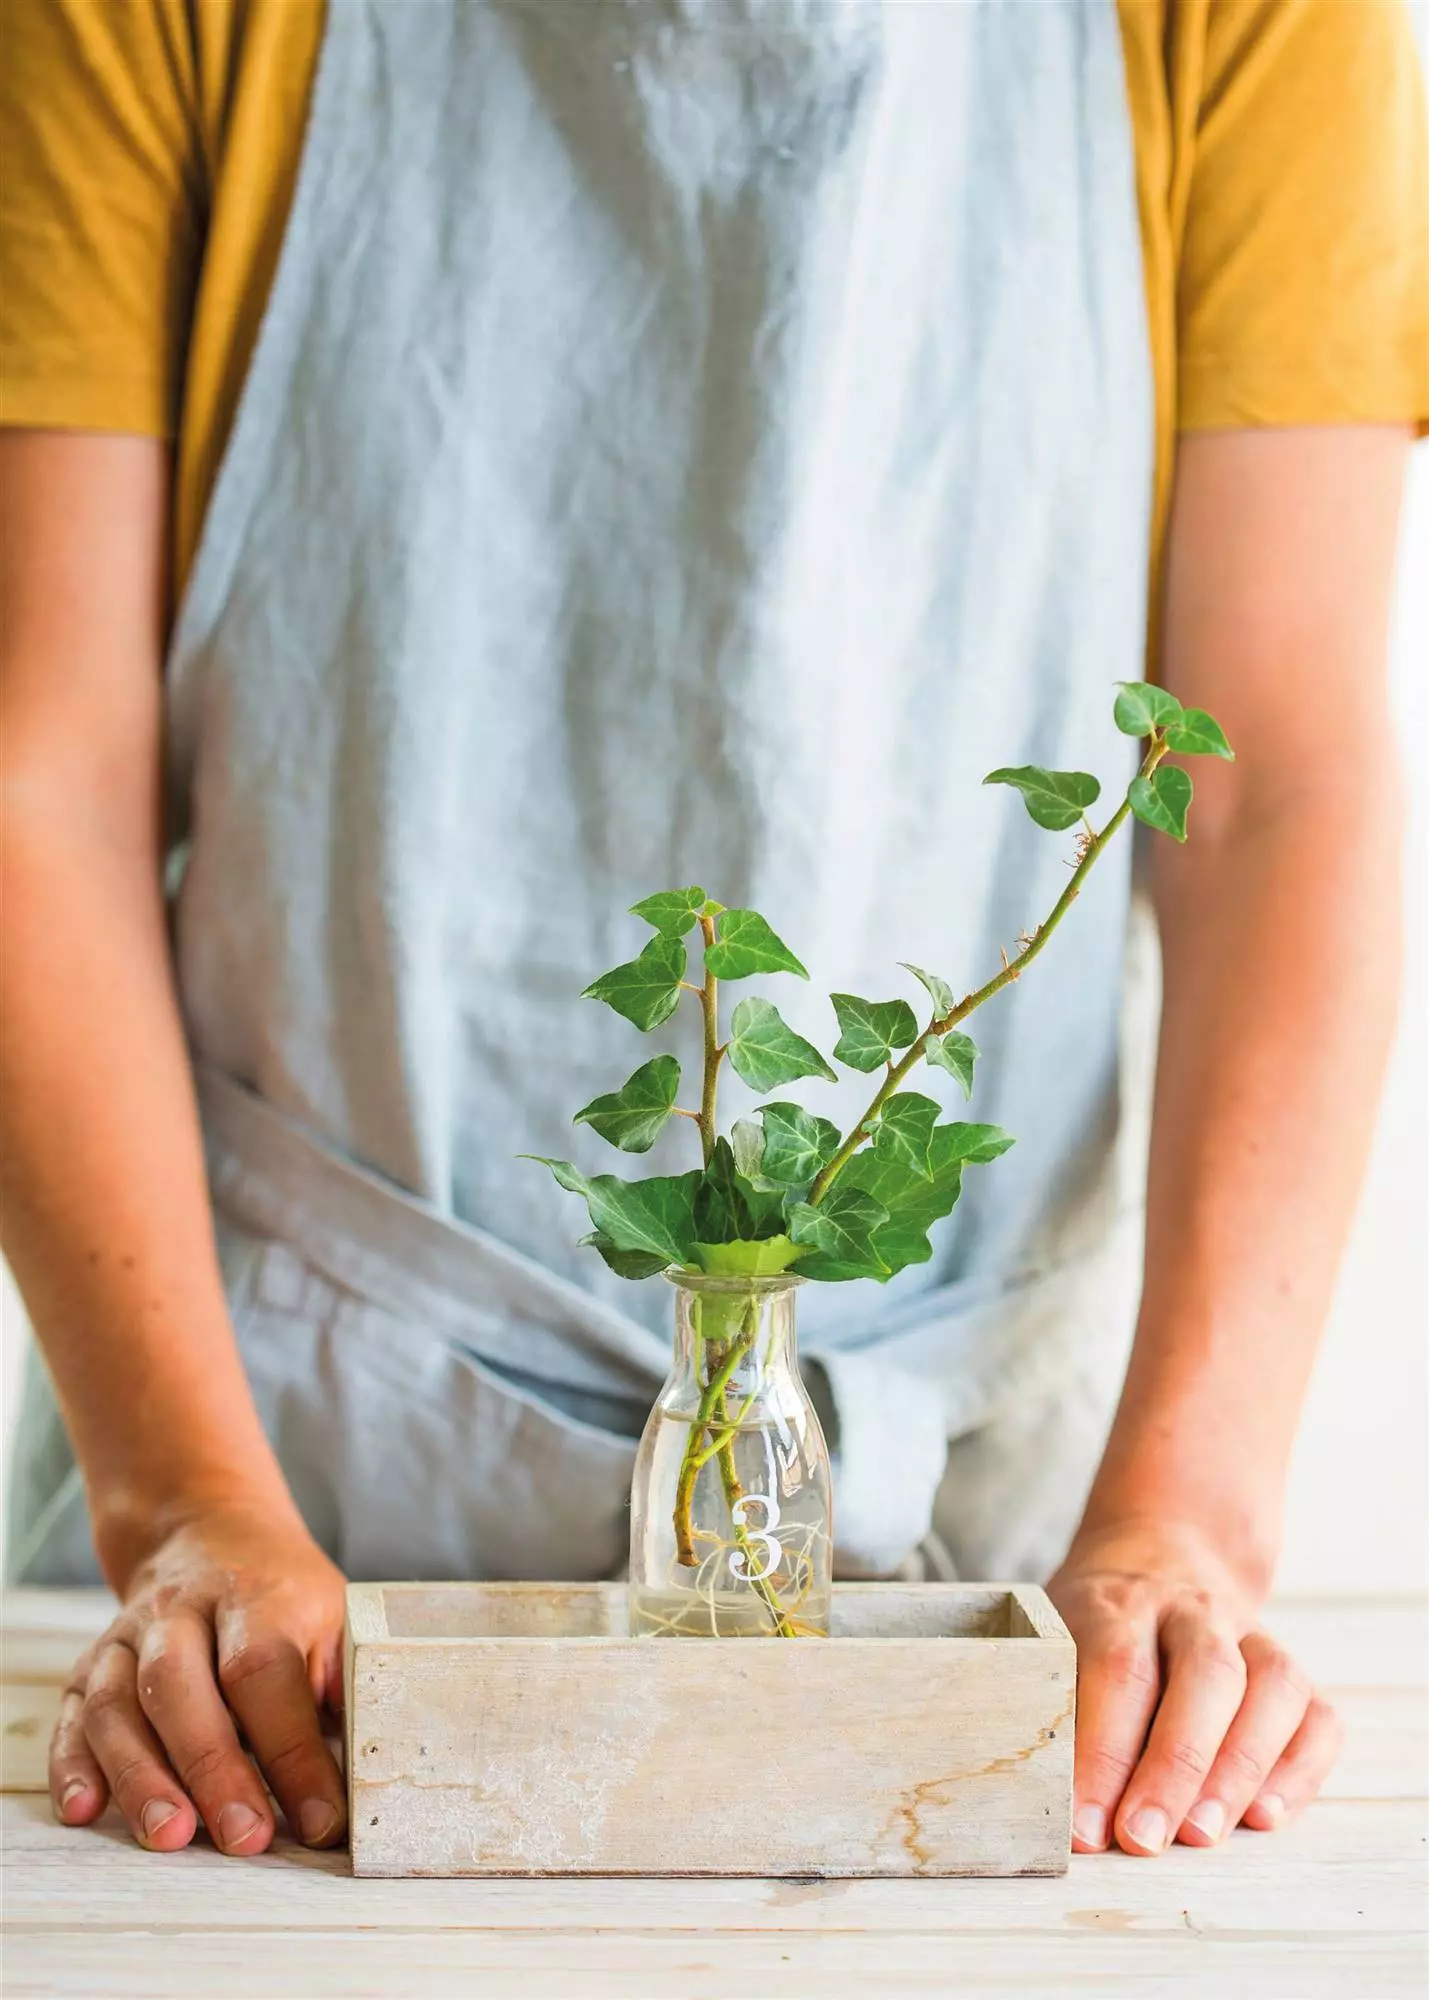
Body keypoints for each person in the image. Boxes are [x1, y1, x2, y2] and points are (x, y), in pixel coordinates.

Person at [2, 0, 1425, 1867]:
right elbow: (47, 780)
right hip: (291, 1501)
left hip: (987, 1553)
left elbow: (1263, 788)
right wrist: (187, 1500)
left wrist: (1193, 1517)